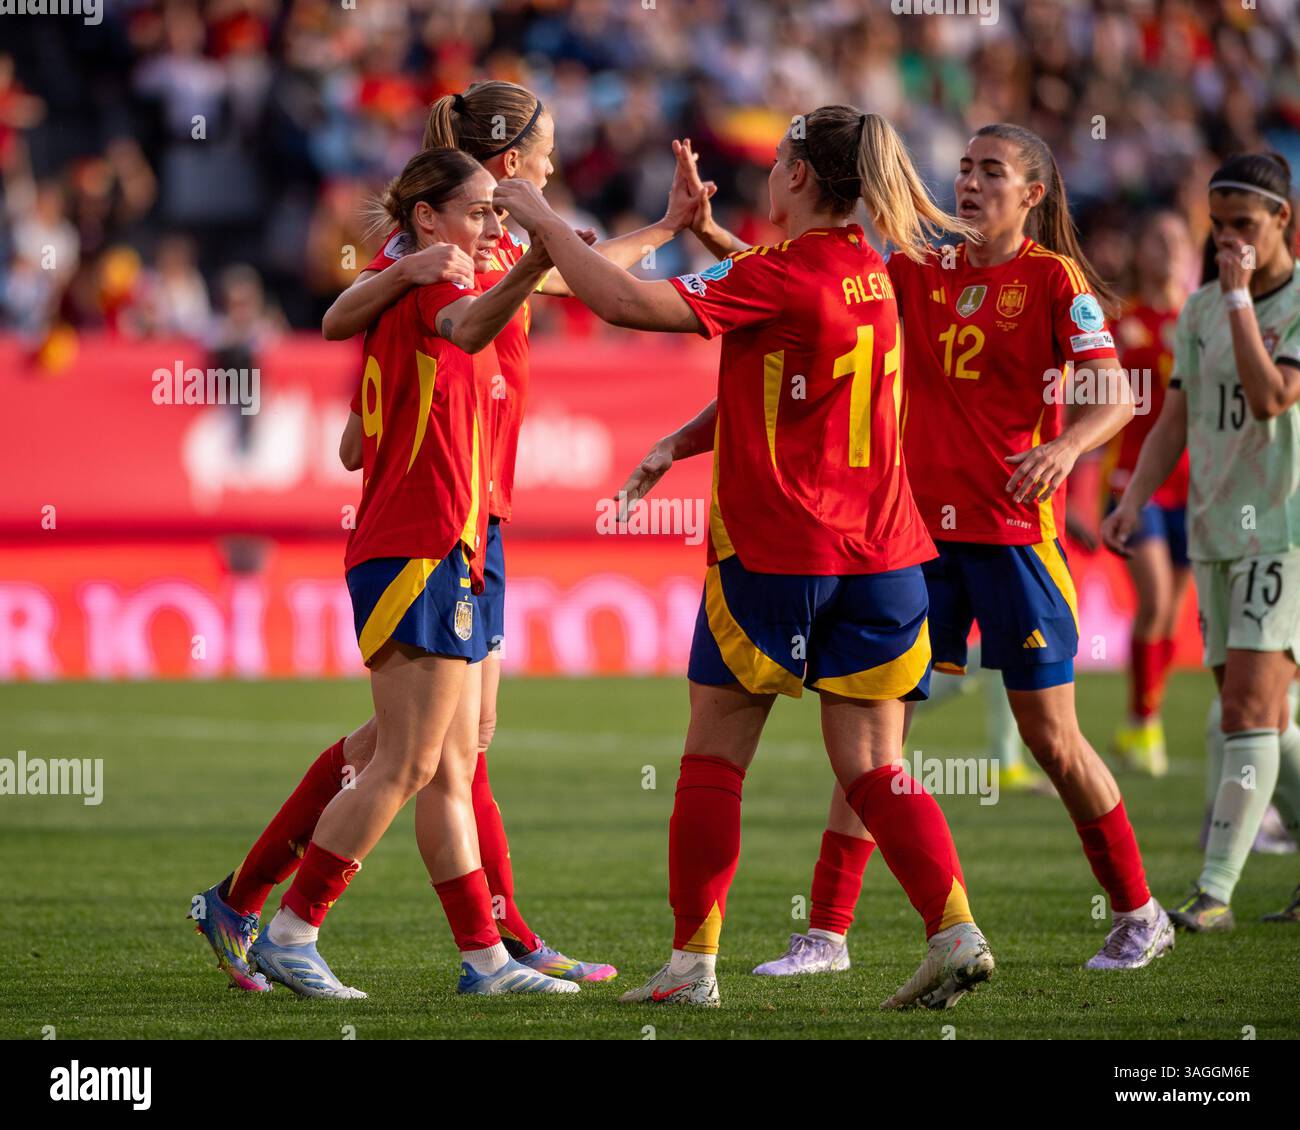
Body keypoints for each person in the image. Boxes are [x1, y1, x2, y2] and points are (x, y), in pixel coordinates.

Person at [190, 81, 706, 991]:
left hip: (472, 516)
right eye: (543, 161)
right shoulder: (438, 259)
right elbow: (397, 322)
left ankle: (444, 939)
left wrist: (662, 233)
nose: (550, 173)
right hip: (432, 523)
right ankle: (439, 937)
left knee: (442, 750)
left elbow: (575, 275)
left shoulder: (480, 245)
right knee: (422, 757)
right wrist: (416, 294)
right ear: (506, 170)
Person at [634, 123, 1173, 976]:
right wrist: (710, 238)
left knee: (1051, 738)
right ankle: (828, 931)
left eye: (992, 173)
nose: (970, 184)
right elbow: (804, 291)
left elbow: (1114, 393)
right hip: (918, 540)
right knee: (879, 744)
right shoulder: (918, 268)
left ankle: (1139, 909)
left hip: (1012, 539)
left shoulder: (1050, 280)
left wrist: (1067, 450)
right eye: (963, 168)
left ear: (1032, 194)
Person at [497, 106, 997, 1011]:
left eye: (777, 160)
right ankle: (955, 930)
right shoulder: (872, 277)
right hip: (886, 556)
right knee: (875, 766)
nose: (769, 173)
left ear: (800, 177)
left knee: (714, 759)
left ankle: (693, 967)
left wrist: (534, 216)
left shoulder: (779, 275)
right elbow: (778, 337)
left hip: (779, 552)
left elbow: (617, 302)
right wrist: (696, 234)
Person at [193, 147, 575, 997]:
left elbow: (350, 434)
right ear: (430, 218)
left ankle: (483, 957)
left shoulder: (411, 274)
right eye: (481, 211)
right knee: (409, 762)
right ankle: (293, 929)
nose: (494, 228)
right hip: (419, 542)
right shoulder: (439, 278)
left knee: (434, 757)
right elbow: (465, 327)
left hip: (441, 538)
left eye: (498, 214)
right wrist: (525, 274)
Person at [1103, 153, 1300, 930]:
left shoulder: (1269, 302)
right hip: (1214, 526)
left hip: (1282, 529)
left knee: (1248, 707)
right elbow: (1173, 417)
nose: (1228, 244)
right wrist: (1134, 498)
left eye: (1244, 227)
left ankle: (1214, 891)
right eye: (1217, 228)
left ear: (1284, 220)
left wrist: (1243, 299)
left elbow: (1271, 395)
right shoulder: (1200, 311)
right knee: (1257, 715)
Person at [1103, 211, 1195, 777]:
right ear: (1140, 253)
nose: (1167, 249)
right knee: (1155, 600)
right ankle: (1143, 723)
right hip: (1134, 481)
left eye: (1176, 240)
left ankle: (1144, 718)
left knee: (1170, 614)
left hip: (1194, 484)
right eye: (1156, 240)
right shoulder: (1121, 321)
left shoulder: (1200, 319)